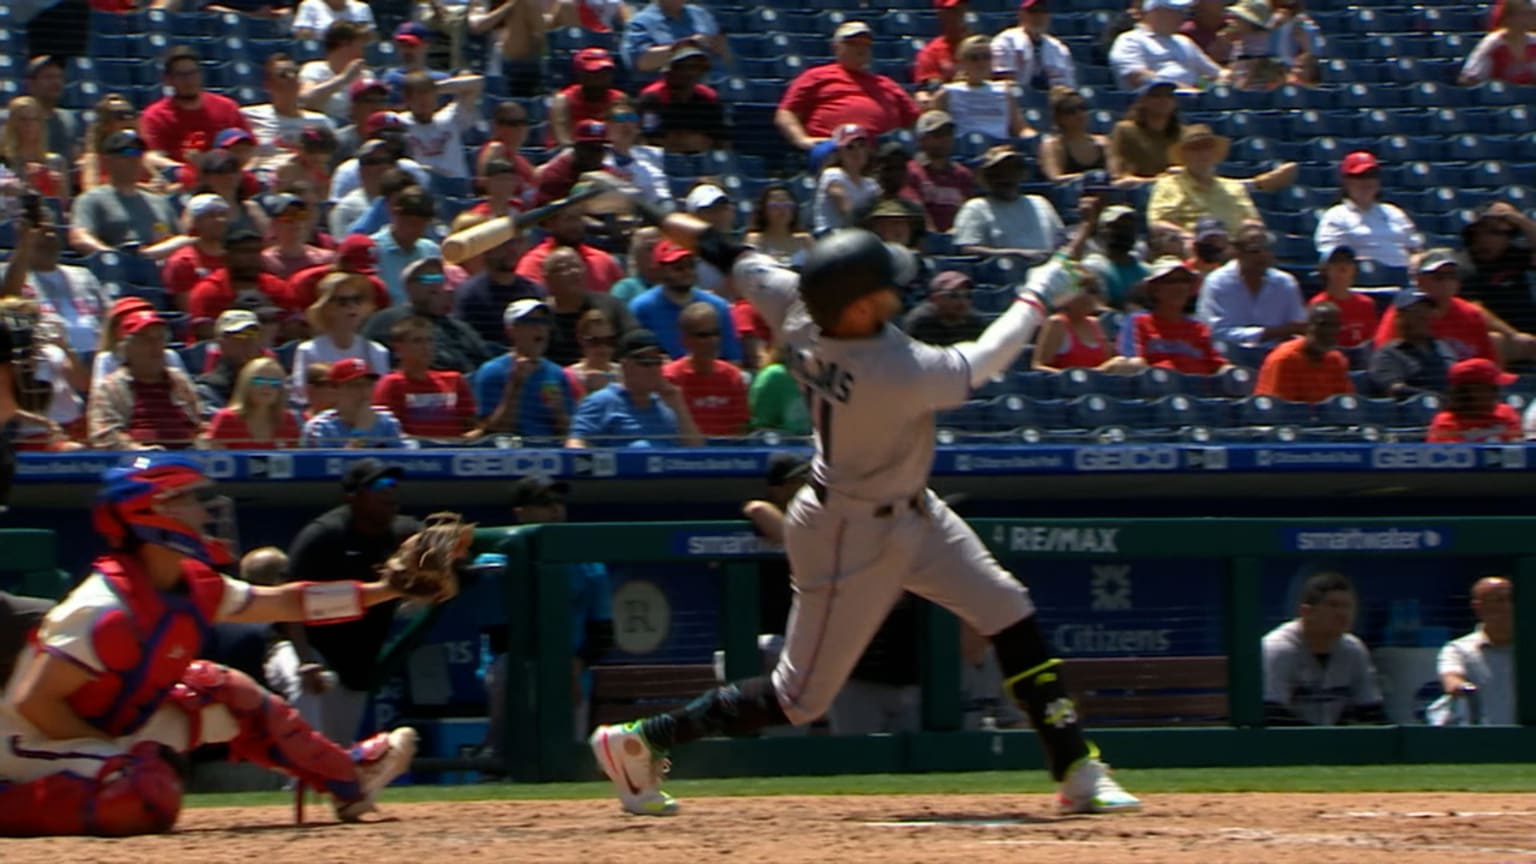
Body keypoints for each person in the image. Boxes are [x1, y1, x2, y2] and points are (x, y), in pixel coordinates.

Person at [583, 197, 1139, 816]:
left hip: (910, 510)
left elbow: (724, 248)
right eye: (883, 285)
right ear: (856, 306)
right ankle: (640, 743)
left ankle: (1077, 768)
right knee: (798, 699)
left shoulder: (796, 302)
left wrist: (653, 208)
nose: (897, 289)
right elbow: (986, 358)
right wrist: (1039, 292)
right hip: (848, 532)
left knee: (1007, 608)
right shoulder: (893, 369)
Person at [0, 456, 417, 836]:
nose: (203, 511)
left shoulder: (192, 584)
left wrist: (385, 589)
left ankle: (348, 776)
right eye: (186, 500)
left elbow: (289, 601)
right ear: (149, 515)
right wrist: (115, 755)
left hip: (111, 726)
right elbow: (33, 701)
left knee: (221, 689)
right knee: (143, 792)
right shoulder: (103, 608)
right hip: (30, 742)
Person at [285, 459, 421, 747]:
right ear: (353, 496)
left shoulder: (403, 534)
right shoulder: (325, 534)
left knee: (336, 748)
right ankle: (294, 786)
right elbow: (286, 597)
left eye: (393, 485)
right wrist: (305, 658)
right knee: (307, 695)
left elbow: (445, 547)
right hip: (303, 643)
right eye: (379, 486)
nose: (390, 493)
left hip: (354, 658)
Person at [1262, 571, 1386, 726]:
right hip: (1282, 746)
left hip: (1332, 745)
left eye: (1347, 606)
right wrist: (1325, 743)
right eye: (1332, 605)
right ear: (1306, 612)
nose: (1342, 613)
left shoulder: (1353, 649)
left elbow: (1371, 710)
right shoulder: (1278, 648)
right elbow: (1271, 713)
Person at [776, 21, 921, 150]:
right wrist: (802, 140)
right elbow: (785, 113)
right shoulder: (816, 76)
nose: (861, 48)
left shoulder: (886, 84)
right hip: (833, 150)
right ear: (836, 47)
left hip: (878, 155)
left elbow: (915, 119)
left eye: (865, 44)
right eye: (853, 43)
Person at [566, 328, 705, 447]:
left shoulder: (666, 406)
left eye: (657, 361)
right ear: (625, 365)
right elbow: (575, 445)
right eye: (645, 362)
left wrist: (677, 403)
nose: (653, 369)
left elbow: (695, 452)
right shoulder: (602, 402)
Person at [86, 311, 201, 450]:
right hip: (136, 466)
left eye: (160, 338)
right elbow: (103, 435)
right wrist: (137, 450)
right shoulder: (109, 388)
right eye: (145, 339)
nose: (155, 345)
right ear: (127, 348)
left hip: (186, 461)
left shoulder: (179, 381)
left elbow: (198, 425)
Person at [0, 214, 112, 356]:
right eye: (41, 231)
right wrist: (25, 245)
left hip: (95, 357)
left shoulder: (83, 274)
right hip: (45, 358)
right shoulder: (10, 273)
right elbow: (8, 299)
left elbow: (110, 315)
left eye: (53, 230)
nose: (49, 235)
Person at [471, 299, 576, 441]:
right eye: (531, 322)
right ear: (512, 330)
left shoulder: (556, 373)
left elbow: (569, 433)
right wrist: (515, 387)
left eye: (544, 322)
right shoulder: (493, 371)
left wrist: (559, 411)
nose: (540, 328)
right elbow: (491, 431)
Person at [68, 132, 184, 258]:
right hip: (116, 271)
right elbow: (79, 237)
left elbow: (180, 239)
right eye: (128, 153)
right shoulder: (92, 199)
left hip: (159, 268)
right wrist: (114, 257)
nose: (135, 160)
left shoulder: (160, 202)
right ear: (108, 161)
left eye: (139, 154)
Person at [366, 257, 491, 374]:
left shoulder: (457, 326)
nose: (434, 285)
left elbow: (484, 360)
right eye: (426, 279)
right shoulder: (388, 320)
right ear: (409, 287)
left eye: (438, 278)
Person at [1372, 249, 1498, 363]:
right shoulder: (1405, 312)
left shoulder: (1471, 314)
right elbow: (1384, 355)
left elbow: (1489, 362)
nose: (1446, 282)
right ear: (1420, 280)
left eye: (1452, 276)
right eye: (1439, 277)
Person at [140, 47, 252, 173]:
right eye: (181, 75)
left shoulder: (227, 107)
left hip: (226, 177)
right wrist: (189, 170)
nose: (188, 80)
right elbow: (152, 157)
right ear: (168, 80)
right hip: (180, 182)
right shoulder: (155, 116)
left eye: (193, 73)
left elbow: (251, 150)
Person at [628, 240, 742, 361]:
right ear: (659, 269)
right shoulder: (642, 308)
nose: (686, 272)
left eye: (691, 265)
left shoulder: (718, 306)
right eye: (678, 268)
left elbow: (733, 359)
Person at [1196, 225, 1307, 348]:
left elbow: (1297, 327)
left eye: (1267, 249)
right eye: (1255, 251)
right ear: (1238, 253)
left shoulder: (1285, 282)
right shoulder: (1217, 282)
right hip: (1231, 356)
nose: (1263, 255)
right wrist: (1270, 333)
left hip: (1274, 355)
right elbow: (1215, 332)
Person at [374, 315, 478, 440]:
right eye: (417, 341)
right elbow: (385, 432)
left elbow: (471, 425)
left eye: (429, 340)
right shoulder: (391, 384)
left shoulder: (454, 380)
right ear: (398, 349)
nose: (426, 347)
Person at [1313, 152, 1422, 271]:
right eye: (1360, 176)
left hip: (1403, 283)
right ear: (1347, 182)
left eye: (1372, 175)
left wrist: (1416, 261)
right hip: (1359, 284)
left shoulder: (1394, 212)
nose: (1367, 182)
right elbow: (1332, 259)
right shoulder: (1335, 216)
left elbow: (1415, 250)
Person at [1147, 125, 1263, 236]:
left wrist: (1249, 231)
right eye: (1194, 148)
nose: (1202, 153)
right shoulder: (1167, 186)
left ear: (1215, 152)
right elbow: (1157, 223)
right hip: (1191, 246)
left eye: (1207, 147)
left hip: (1233, 245)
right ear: (1183, 155)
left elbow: (1252, 220)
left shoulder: (1234, 187)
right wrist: (1185, 236)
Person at [291, 272, 390, 400]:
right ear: (327, 309)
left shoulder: (377, 351)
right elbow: (301, 396)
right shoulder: (308, 351)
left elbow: (381, 397)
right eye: (342, 301)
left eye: (356, 300)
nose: (352, 306)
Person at [953, 145, 1064, 258]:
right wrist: (1017, 254)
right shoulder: (976, 207)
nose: (1006, 177)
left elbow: (1061, 243)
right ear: (987, 178)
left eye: (1012, 170)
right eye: (998, 172)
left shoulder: (1040, 203)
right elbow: (967, 249)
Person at [1432, 576, 1515, 726]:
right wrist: (1463, 688)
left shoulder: (1529, 646)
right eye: (1497, 600)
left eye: (1510, 599)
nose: (1507, 606)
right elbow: (1451, 678)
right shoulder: (1458, 649)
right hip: (1480, 741)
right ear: (1478, 607)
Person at [1123, 256, 1229, 373]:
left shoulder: (1199, 329)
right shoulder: (1139, 322)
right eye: (1171, 281)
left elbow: (1219, 365)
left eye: (1184, 281)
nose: (1180, 287)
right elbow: (1134, 363)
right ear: (1155, 289)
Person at [661, 302, 749, 437]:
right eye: (703, 335)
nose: (712, 340)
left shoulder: (732, 377)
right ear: (685, 340)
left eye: (716, 333)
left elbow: (739, 430)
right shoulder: (670, 378)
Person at [242, 53, 337, 174]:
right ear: (268, 84)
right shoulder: (249, 116)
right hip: (266, 177)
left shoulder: (321, 121)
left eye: (294, 73)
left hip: (306, 181)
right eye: (283, 74)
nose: (291, 77)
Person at [543, 247, 639, 367]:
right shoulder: (541, 315)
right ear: (547, 279)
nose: (574, 272)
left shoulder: (611, 306)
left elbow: (634, 342)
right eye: (563, 268)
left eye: (577, 266)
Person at [1458, 202, 1536, 347]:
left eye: (1501, 233)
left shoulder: (1513, 255)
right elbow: (1475, 309)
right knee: (1495, 340)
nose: (1489, 238)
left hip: (1529, 332)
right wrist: (1513, 335)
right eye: (1488, 231)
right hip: (1499, 336)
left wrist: (1519, 220)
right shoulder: (1464, 265)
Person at [1109, 0, 1226, 89]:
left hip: (1194, 101)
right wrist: (1184, 89)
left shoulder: (1184, 41)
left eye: (1183, 11)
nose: (1182, 16)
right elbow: (1137, 77)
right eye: (1176, 11)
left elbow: (1216, 72)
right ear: (1155, 12)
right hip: (1153, 104)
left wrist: (1229, 77)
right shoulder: (1130, 40)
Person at [1034, 280, 1145, 373]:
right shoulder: (1057, 323)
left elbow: (1106, 361)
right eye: (1088, 291)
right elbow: (1039, 366)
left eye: (1094, 292)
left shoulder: (1095, 323)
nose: (1092, 298)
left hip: (1098, 387)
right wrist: (1075, 376)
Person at [515, 203, 626, 294]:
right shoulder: (534, 262)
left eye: (578, 218)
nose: (575, 225)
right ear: (551, 224)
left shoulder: (603, 260)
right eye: (568, 219)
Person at [188, 228, 294, 324]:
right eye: (244, 252)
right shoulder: (209, 292)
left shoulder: (277, 288)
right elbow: (202, 334)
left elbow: (293, 327)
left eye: (256, 251)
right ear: (226, 257)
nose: (252, 258)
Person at [1252, 303, 1353, 402]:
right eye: (1323, 325)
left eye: (1335, 325)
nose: (1329, 331)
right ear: (1306, 326)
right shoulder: (1285, 360)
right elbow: (1279, 411)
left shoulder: (1336, 361)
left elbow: (1345, 407)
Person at [933, 36, 1028, 141]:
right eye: (974, 58)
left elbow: (1021, 129)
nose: (981, 63)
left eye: (986, 57)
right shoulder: (947, 93)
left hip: (1001, 149)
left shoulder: (1004, 91)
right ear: (962, 62)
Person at [637, 44, 728, 153]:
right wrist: (685, 142)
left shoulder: (709, 97)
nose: (689, 73)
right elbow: (649, 140)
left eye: (695, 67)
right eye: (682, 67)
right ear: (669, 71)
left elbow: (719, 142)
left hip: (701, 162)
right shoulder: (652, 97)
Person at [394, 70, 484, 179]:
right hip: (422, 187)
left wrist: (435, 87)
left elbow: (477, 83)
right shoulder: (399, 122)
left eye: (428, 95)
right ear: (408, 100)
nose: (424, 101)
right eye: (418, 97)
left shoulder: (450, 117)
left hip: (456, 185)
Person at [1368, 289, 1454, 399]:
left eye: (1427, 310)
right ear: (1400, 317)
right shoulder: (1388, 355)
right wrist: (1436, 399)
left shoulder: (1443, 348)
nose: (1423, 317)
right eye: (1416, 312)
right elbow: (1394, 389)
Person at [302, 359, 408, 447]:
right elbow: (330, 468)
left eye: (368, 385)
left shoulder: (386, 421)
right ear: (336, 390)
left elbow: (406, 462)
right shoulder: (321, 426)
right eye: (355, 386)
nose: (364, 392)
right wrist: (360, 432)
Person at [203, 356, 304, 448]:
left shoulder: (288, 421)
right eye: (259, 381)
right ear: (246, 384)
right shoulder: (226, 419)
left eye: (274, 382)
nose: (267, 387)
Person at [371, 186, 443, 305]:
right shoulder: (373, 249)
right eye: (411, 223)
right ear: (395, 214)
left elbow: (436, 288)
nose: (415, 229)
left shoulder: (431, 252)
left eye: (422, 224)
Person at [906, 111, 975, 234]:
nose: (945, 139)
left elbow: (968, 212)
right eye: (938, 135)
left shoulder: (962, 175)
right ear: (922, 139)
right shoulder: (911, 172)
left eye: (948, 134)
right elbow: (916, 211)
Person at [300, 22, 377, 126]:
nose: (363, 50)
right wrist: (343, 79)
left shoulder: (366, 75)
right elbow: (306, 99)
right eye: (360, 44)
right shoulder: (314, 69)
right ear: (344, 44)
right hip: (324, 127)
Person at [1427, 358, 1521, 442]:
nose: (1497, 393)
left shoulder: (1506, 413)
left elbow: (1519, 448)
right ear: (1473, 391)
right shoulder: (1446, 423)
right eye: (1493, 388)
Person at [992, 0, 1078, 93]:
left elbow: (1069, 87)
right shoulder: (1006, 41)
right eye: (1033, 11)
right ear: (1021, 15)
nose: (1038, 16)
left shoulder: (1059, 49)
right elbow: (1002, 85)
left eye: (1043, 12)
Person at [620, 0, 728, 73]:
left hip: (707, 87)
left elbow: (726, 53)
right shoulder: (641, 21)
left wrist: (719, 47)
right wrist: (689, 45)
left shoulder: (700, 14)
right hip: (666, 94)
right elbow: (640, 61)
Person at [468, 0, 550, 96]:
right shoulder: (481, 3)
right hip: (495, 56)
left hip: (526, 55)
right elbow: (477, 25)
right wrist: (508, 6)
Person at [1107, 79, 1182, 184]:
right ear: (1142, 101)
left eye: (1169, 96)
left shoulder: (1182, 133)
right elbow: (1118, 173)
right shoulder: (1125, 130)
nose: (1164, 100)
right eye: (1156, 96)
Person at [549, 49, 626, 148]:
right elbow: (562, 136)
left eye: (605, 71)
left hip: (609, 154)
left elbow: (628, 131)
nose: (601, 76)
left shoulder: (619, 99)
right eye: (594, 71)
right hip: (571, 155)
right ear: (581, 74)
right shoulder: (563, 99)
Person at [194, 309, 266, 413]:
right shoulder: (208, 388)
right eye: (237, 334)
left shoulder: (270, 380)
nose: (246, 340)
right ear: (220, 342)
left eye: (251, 333)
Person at [813, 124, 880, 237]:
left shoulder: (871, 184)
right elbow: (847, 211)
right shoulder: (832, 175)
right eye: (850, 147)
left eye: (861, 146)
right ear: (839, 153)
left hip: (858, 237)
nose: (857, 151)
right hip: (829, 238)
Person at [2, 96, 71, 203]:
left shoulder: (55, 162)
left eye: (34, 119)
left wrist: (58, 188)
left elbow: (65, 207)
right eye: (23, 120)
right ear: (13, 123)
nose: (29, 125)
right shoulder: (4, 162)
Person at [1309, 245, 1378, 349]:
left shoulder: (1366, 304)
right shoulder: (1318, 304)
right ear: (1325, 269)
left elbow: (1372, 340)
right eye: (1336, 261)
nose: (1342, 265)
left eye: (1348, 261)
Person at [533, 119, 614, 207]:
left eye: (600, 149)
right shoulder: (556, 175)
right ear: (576, 147)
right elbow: (550, 217)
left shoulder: (605, 171)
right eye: (589, 148)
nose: (595, 154)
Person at [1080, 205, 1147, 310]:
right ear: (1101, 231)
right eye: (1117, 227)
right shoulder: (1093, 266)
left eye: (1129, 227)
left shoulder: (1145, 269)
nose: (1124, 232)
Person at [1037, 87, 1107, 183]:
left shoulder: (1103, 143)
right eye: (1070, 110)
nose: (1079, 114)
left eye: (1082, 107)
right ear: (1058, 117)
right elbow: (1055, 178)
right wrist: (1088, 178)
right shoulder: (1052, 146)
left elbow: (1115, 174)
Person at [1459, 0, 1536, 85]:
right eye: (1526, 14)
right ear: (1509, 17)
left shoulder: (1534, 42)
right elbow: (1468, 79)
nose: (1532, 17)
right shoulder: (1492, 44)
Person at [903, 271, 986, 347]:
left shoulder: (975, 322)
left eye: (968, 296)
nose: (962, 302)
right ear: (934, 298)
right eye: (953, 296)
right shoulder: (920, 321)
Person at [23, 55, 80, 164]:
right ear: (30, 84)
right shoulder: (14, 118)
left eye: (59, 77)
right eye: (49, 77)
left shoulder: (68, 120)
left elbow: (73, 158)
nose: (56, 82)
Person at [749, 343, 811, 437]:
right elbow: (798, 426)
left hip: (764, 437)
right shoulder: (778, 374)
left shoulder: (770, 372)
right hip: (778, 441)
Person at [745, 184, 814, 268]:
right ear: (764, 210)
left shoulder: (805, 240)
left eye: (787, 205)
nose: (782, 209)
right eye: (774, 205)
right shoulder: (755, 239)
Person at [914, 0, 971, 92]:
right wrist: (957, 82)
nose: (961, 14)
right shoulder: (931, 53)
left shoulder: (980, 48)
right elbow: (929, 90)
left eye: (963, 8)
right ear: (942, 15)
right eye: (954, 10)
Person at [611, 227, 666, 303]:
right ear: (636, 255)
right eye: (650, 249)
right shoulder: (626, 289)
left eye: (662, 248)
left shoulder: (680, 284)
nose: (657, 253)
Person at [293, 0, 376, 38]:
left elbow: (370, 37)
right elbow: (303, 36)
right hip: (319, 58)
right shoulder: (309, 5)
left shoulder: (361, 7)